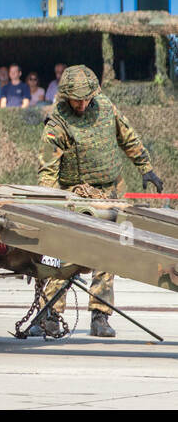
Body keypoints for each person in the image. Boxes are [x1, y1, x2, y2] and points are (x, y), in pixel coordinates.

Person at [32, 65, 163, 338]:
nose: (81, 105)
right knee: (63, 255)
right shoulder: (57, 125)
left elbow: (127, 136)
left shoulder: (105, 107)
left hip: (112, 193)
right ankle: (50, 315)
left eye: (85, 99)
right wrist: (52, 206)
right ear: (65, 96)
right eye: (75, 100)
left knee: (108, 255)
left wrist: (145, 167)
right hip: (75, 197)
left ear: (94, 93)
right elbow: (48, 172)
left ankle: (100, 316)